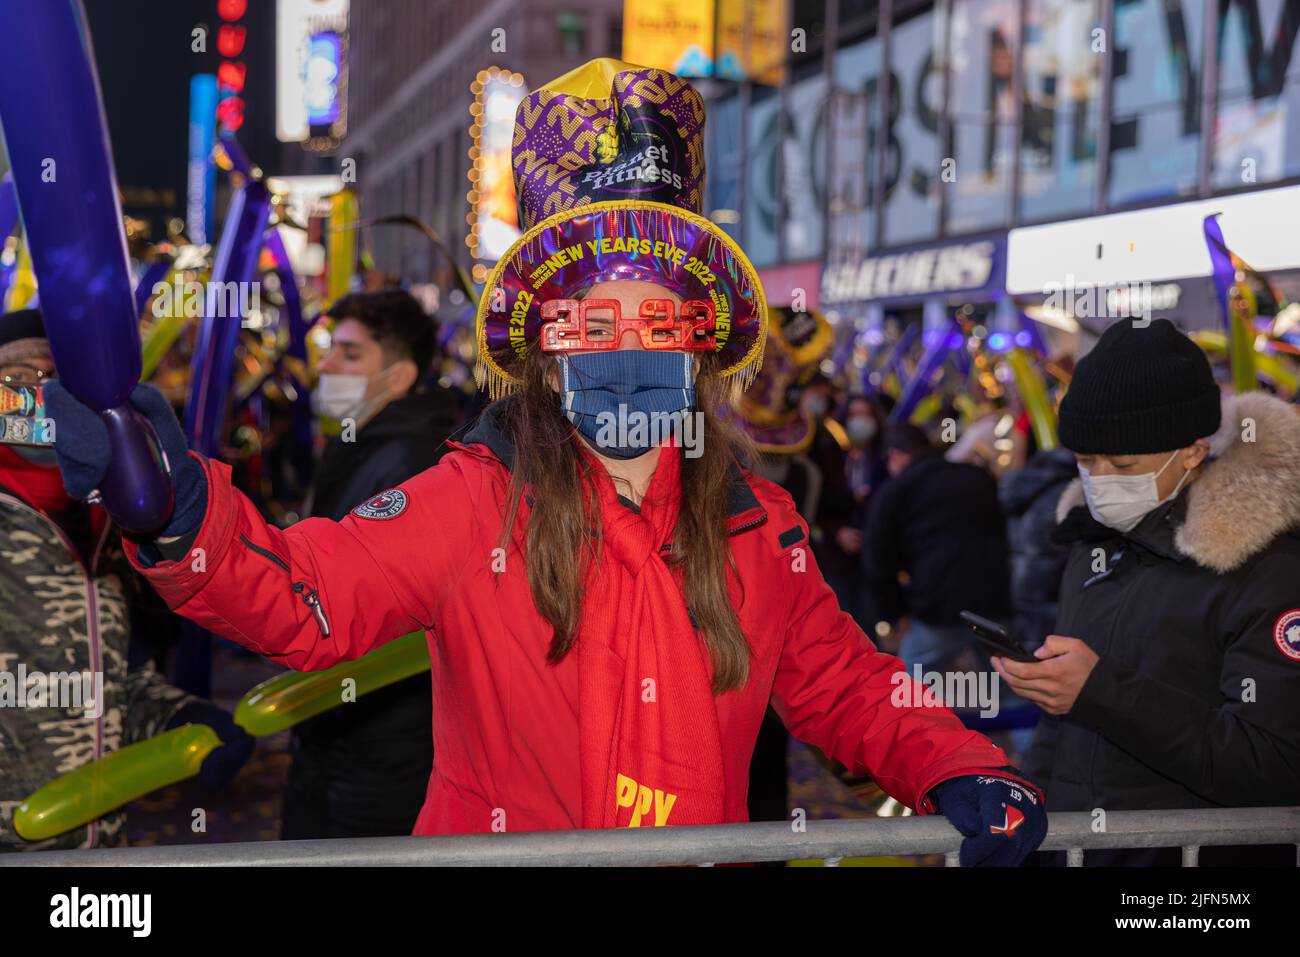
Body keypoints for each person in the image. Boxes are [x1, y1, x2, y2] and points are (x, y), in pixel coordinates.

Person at [47, 59, 1046, 865]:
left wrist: (956, 762)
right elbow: (307, 600)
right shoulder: (472, 503)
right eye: (587, 318)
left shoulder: (759, 524)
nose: (624, 346)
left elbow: (843, 684)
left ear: (702, 341)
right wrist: (177, 512)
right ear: (542, 346)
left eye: (659, 317)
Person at [998, 318, 1300, 865]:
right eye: (1085, 462)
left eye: (1123, 465)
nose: (1099, 481)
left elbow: (1275, 763)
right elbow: (1060, 733)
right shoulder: (1094, 547)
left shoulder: (1269, 567)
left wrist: (1102, 691)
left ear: (1190, 452)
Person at [0, 309, 251, 852]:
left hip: (97, 844)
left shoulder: (110, 517)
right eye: (17, 378)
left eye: (58, 379)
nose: (40, 395)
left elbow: (108, 683)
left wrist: (176, 717)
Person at [282, 289, 460, 840]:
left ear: (400, 375)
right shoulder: (367, 443)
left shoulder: (409, 460)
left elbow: (369, 608)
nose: (328, 365)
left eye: (351, 354)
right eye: (331, 349)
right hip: (345, 727)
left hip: (382, 741)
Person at [862, 422, 1013, 674]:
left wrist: (894, 612)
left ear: (896, 455)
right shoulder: (977, 476)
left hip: (937, 609)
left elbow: (877, 561)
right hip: (995, 601)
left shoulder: (895, 491)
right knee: (1011, 686)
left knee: (907, 692)